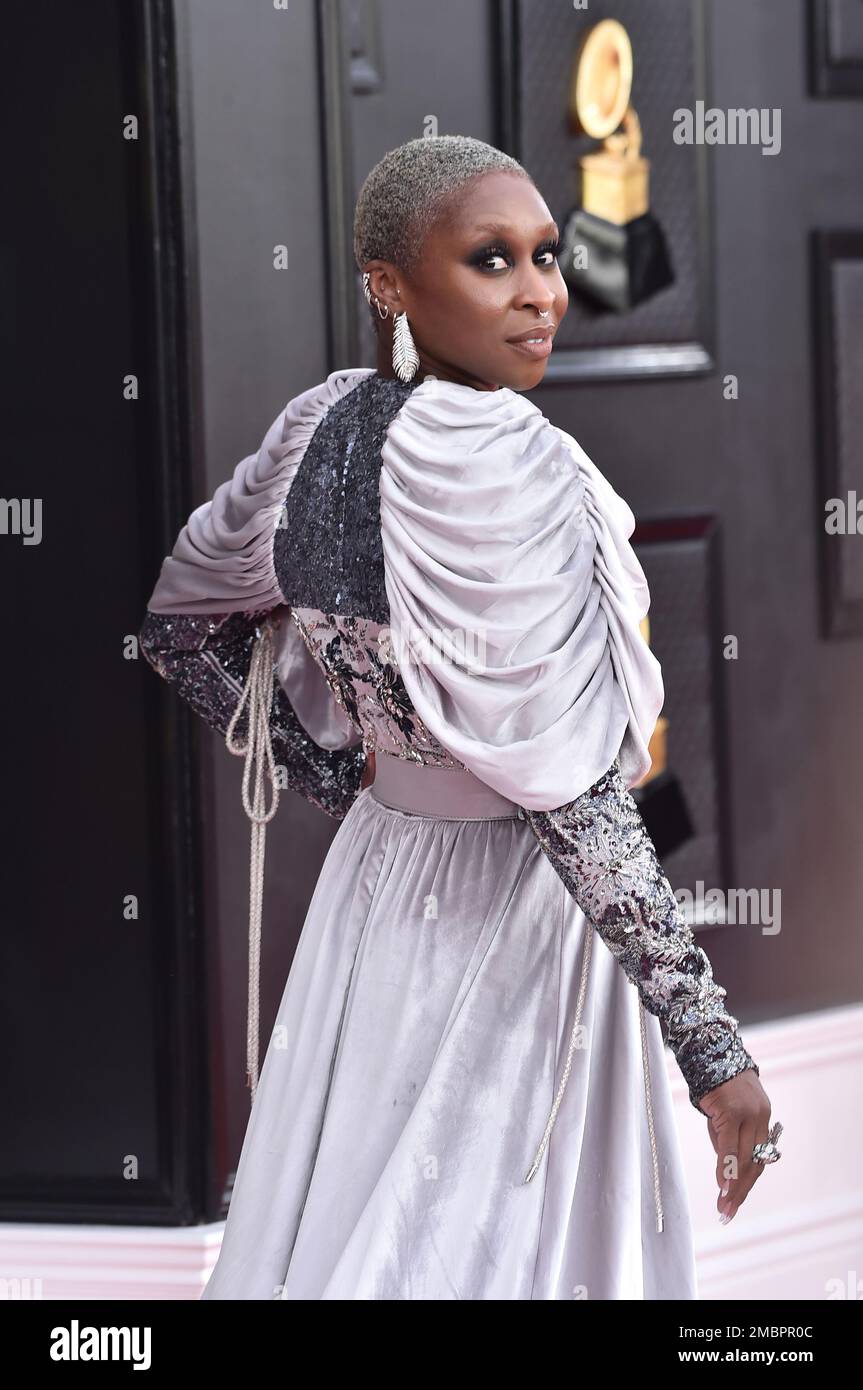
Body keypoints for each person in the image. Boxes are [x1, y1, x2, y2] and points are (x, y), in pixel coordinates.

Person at [140, 135, 776, 1301]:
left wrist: (355, 777)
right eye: (493, 261)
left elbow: (181, 627)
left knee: (370, 1230)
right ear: (388, 284)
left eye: (544, 257)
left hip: (375, 890)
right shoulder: (518, 468)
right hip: (514, 919)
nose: (540, 292)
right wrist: (712, 1053)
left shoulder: (315, 434)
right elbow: (580, 811)